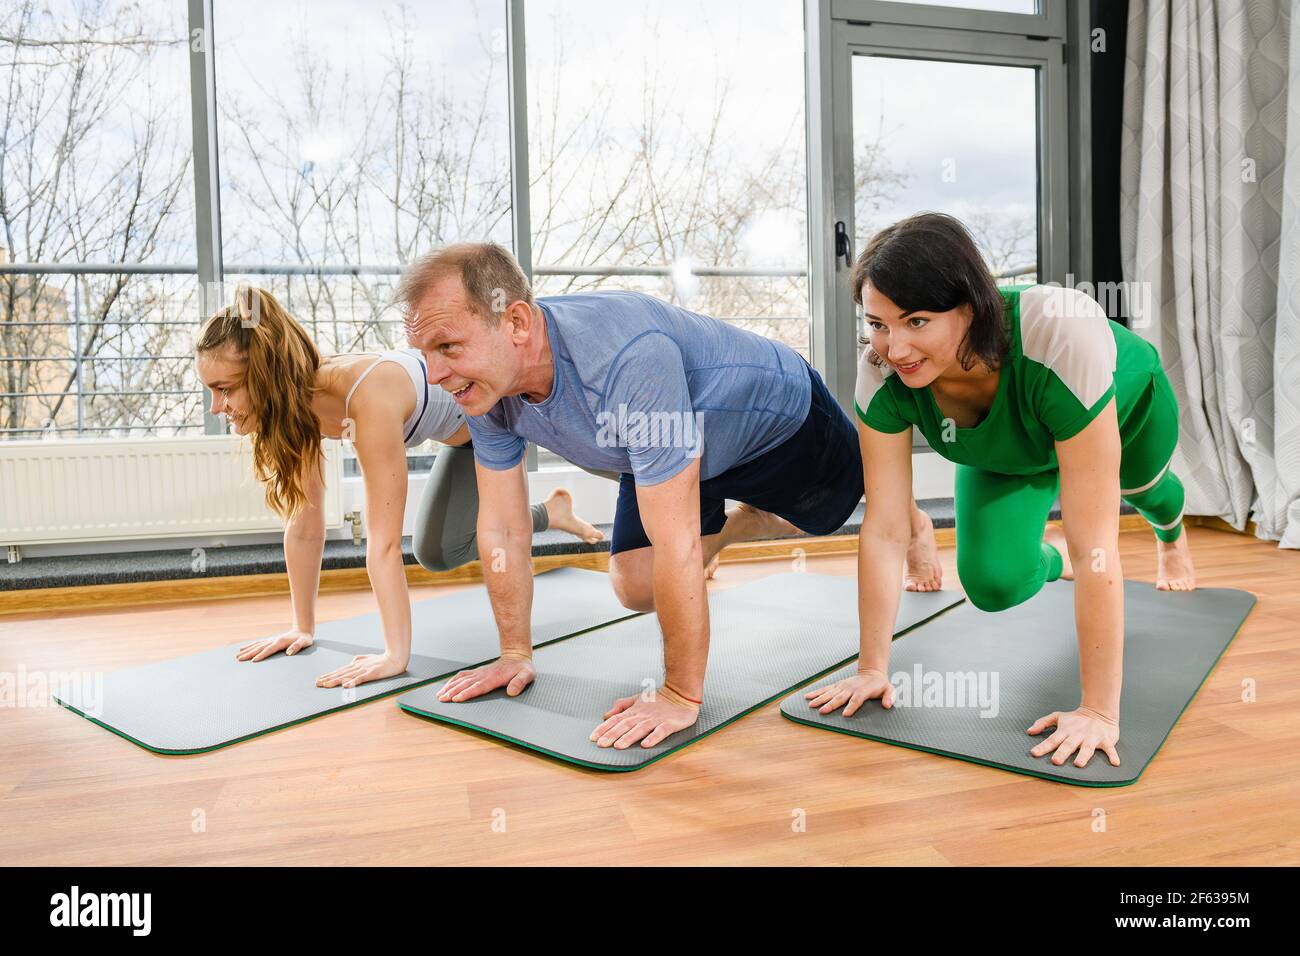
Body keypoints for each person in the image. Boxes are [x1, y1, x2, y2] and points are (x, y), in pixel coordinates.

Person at [398, 243, 944, 749]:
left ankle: (914, 521)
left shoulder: (623, 357)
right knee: (636, 586)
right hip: (665, 446)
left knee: (841, 510)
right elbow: (503, 529)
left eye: (447, 347)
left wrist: (680, 696)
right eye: (425, 352)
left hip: (777, 423)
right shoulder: (488, 388)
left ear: (515, 321)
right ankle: (736, 524)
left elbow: (677, 541)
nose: (436, 373)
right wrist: (514, 653)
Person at [805, 212, 1196, 770]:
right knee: (992, 583)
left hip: (1121, 405)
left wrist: (1100, 713)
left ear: (971, 305)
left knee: (1147, 489)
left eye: (916, 321)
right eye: (878, 323)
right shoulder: (883, 368)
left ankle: (1172, 535)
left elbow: (1098, 547)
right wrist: (872, 668)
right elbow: (887, 527)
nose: (894, 347)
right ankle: (1044, 554)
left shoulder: (1059, 330)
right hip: (1010, 450)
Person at [194, 284, 602, 689]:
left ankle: (545, 513)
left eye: (224, 389)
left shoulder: (365, 396)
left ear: (266, 375)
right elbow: (305, 525)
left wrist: (395, 655)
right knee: (437, 552)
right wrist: (302, 627)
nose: (216, 408)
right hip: (460, 439)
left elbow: (385, 543)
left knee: (444, 547)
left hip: (499, 419)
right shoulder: (299, 408)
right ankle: (552, 512)